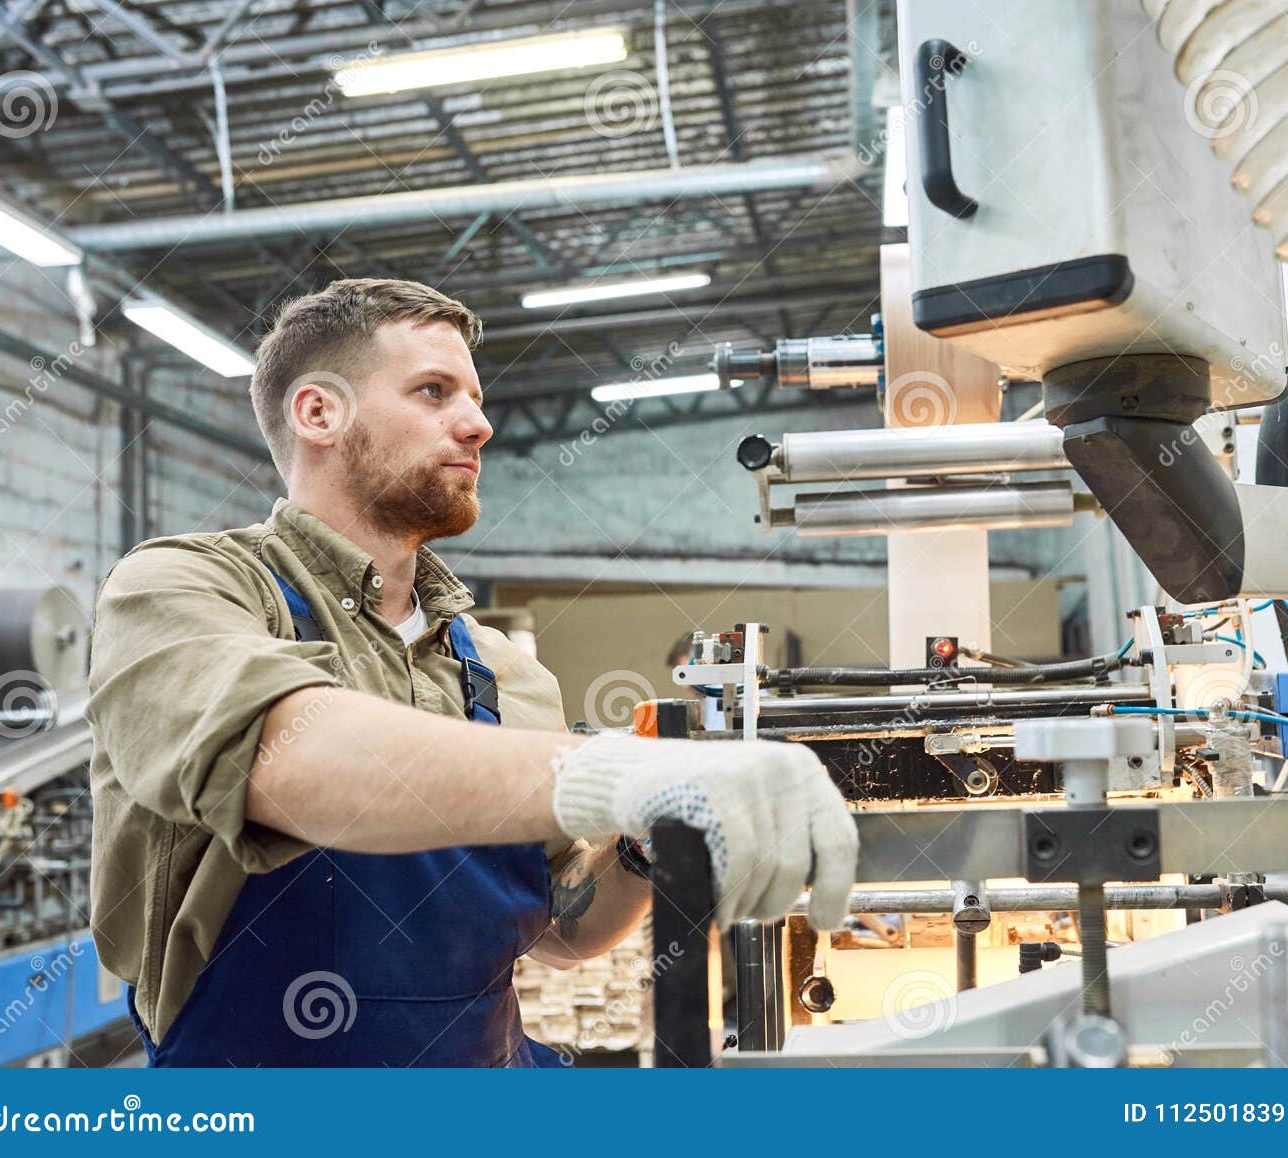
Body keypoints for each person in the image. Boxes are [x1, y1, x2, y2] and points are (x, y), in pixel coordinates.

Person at [86, 278, 857, 1067]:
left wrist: (638, 849)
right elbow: (291, 761)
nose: (479, 424)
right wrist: (621, 768)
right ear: (319, 412)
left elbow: (562, 927)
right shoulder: (183, 589)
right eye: (433, 391)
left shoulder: (499, 668)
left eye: (476, 397)